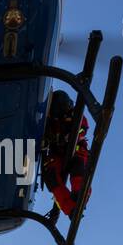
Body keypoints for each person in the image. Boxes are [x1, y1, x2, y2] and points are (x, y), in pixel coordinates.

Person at [40, 89, 91, 218]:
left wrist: (68, 136)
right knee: (50, 176)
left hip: (75, 150)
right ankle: (70, 209)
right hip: (57, 154)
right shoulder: (49, 121)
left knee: (78, 167)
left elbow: (83, 128)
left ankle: (80, 196)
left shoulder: (76, 114)